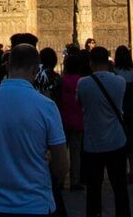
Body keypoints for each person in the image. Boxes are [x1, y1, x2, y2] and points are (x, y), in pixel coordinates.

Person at [0, 42, 69, 217]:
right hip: (37, 204)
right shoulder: (46, 106)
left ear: (7, 66)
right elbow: (61, 167)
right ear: (35, 70)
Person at [76, 46, 130, 217]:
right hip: (116, 141)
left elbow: (80, 103)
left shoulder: (83, 83)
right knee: (120, 186)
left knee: (93, 188)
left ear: (90, 63)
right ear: (108, 61)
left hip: (93, 143)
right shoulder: (120, 81)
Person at [58, 48, 89, 190]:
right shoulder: (82, 81)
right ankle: (75, 181)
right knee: (76, 153)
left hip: (63, 120)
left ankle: (59, 179)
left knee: (60, 151)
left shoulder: (61, 81)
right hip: (78, 121)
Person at [111, 46, 133, 185]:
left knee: (119, 141)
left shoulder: (114, 72)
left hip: (118, 110)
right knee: (132, 141)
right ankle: (132, 171)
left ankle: (120, 170)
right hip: (132, 110)